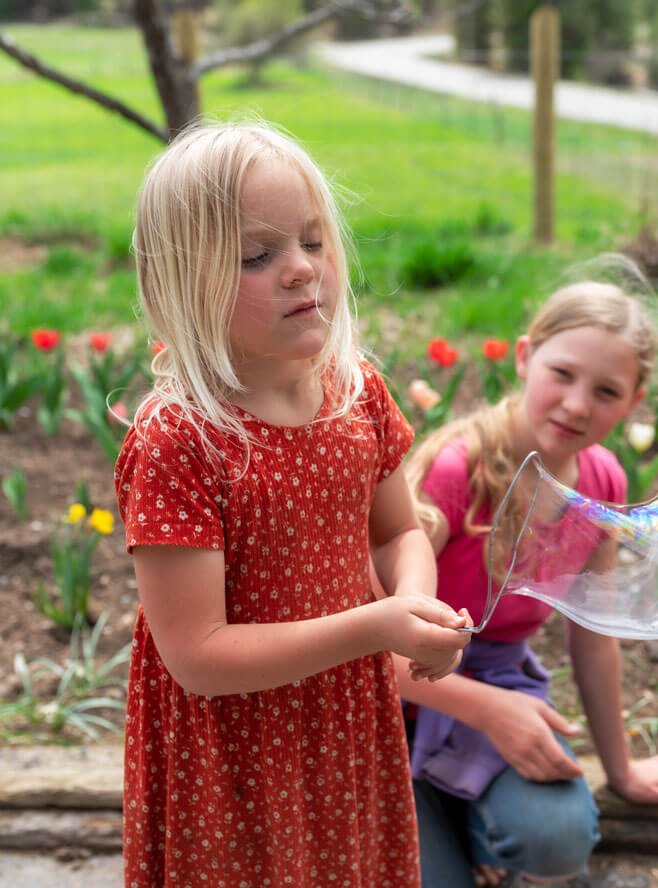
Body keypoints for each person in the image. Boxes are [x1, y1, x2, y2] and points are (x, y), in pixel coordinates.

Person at [115, 120, 471, 887]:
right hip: (232, 752)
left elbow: (398, 533)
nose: (301, 270)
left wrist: (415, 608)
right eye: (257, 255)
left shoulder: (355, 392)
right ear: (182, 279)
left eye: (314, 240)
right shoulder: (181, 441)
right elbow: (199, 656)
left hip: (343, 725)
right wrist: (376, 625)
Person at [400, 281, 658, 887]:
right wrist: (490, 711)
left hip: (495, 685)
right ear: (524, 357)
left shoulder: (602, 480)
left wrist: (622, 772)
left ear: (634, 402)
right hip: (394, 698)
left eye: (606, 392)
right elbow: (365, 647)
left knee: (558, 840)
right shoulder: (454, 472)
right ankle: (438, 817)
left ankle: (471, 821)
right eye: (562, 373)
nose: (576, 405)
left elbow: (592, 637)